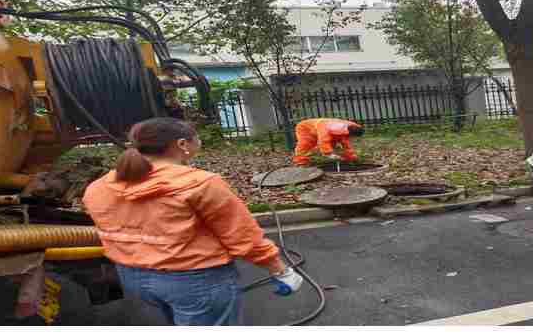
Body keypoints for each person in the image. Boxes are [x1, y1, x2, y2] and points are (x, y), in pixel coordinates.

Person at [82, 117, 302, 326]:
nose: (200, 142)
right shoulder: (200, 183)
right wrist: (280, 270)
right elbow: (242, 236)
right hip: (195, 280)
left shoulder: (99, 187)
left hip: (133, 277)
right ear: (182, 144)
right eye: (197, 138)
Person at [292, 118, 365, 166]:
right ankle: (301, 161)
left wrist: (351, 157)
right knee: (306, 144)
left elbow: (345, 144)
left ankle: (349, 158)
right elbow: (323, 141)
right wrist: (329, 153)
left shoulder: (350, 127)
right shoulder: (326, 129)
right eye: (353, 137)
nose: (352, 139)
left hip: (322, 129)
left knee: (334, 143)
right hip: (305, 128)